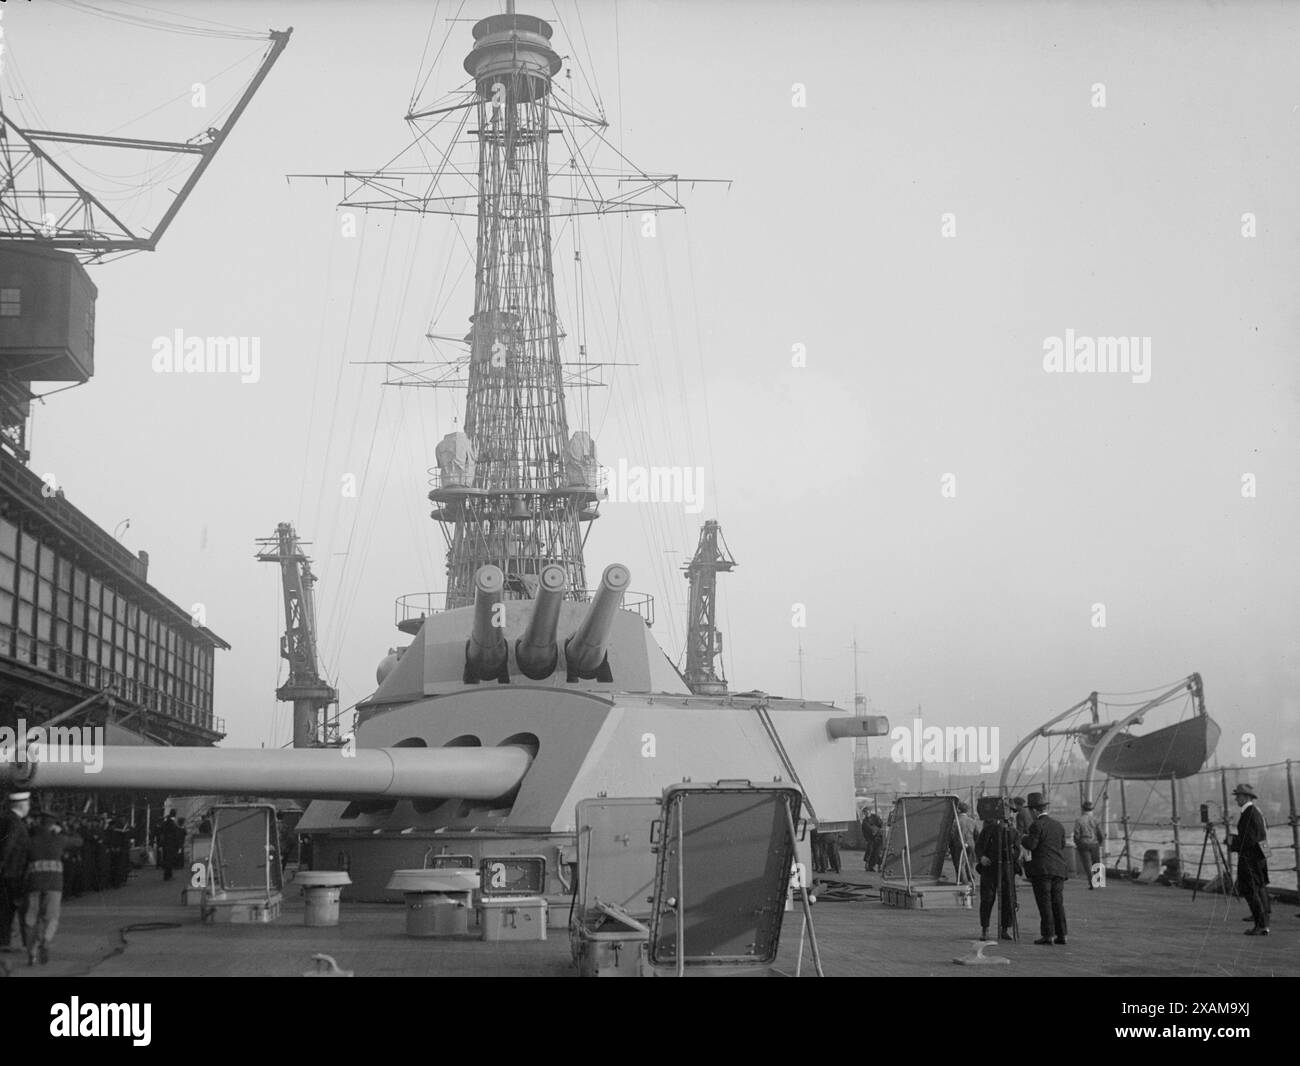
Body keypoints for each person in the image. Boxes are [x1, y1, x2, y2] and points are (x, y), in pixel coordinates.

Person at [24, 810, 78, 966]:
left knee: (31, 919)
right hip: (54, 884)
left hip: (34, 884)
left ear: (40, 823)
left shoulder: (31, 840)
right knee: (52, 916)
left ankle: (31, 954)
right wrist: (65, 829)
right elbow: (78, 841)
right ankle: (46, 940)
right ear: (53, 824)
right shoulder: (59, 839)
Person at [1021, 792, 1068, 945]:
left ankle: (1048, 935)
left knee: (1045, 902)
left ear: (1034, 810)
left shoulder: (1036, 825)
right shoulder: (1058, 825)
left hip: (1042, 870)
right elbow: (1062, 845)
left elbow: (1032, 845)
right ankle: (1062, 935)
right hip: (1059, 869)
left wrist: (1023, 838)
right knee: (1058, 902)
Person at [1226, 783, 1270, 935]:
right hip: (1259, 854)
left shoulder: (1249, 813)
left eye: (1238, 796)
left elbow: (1249, 839)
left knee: (1250, 889)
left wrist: (1233, 842)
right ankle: (1263, 923)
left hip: (1250, 857)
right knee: (1257, 887)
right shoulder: (1254, 812)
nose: (1236, 798)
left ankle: (1261, 925)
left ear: (1246, 797)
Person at [975, 807, 1018, 940]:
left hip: (1006, 869)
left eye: (1010, 812)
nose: (1009, 814)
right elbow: (979, 846)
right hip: (989, 869)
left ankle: (1005, 929)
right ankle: (985, 928)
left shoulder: (1013, 832)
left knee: (1008, 899)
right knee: (987, 899)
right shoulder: (989, 829)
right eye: (1007, 811)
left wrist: (1012, 855)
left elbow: (1017, 851)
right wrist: (982, 857)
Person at [0, 792, 32, 953]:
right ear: (22, 805)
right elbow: (8, 846)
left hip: (10, 872)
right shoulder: (15, 823)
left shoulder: (9, 819)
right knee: (14, 908)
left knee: (7, 909)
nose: (29, 807)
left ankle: (6, 941)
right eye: (28, 803)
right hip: (13, 873)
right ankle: (14, 943)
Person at [1072, 801, 1104, 887]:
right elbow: (1100, 834)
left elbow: (1076, 834)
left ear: (1082, 809)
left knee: (1087, 864)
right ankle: (1098, 882)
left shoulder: (1079, 820)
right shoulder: (1096, 820)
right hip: (1094, 843)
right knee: (1096, 863)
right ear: (1092, 809)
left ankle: (1091, 883)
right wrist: (1100, 842)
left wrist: (1077, 843)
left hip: (1083, 844)